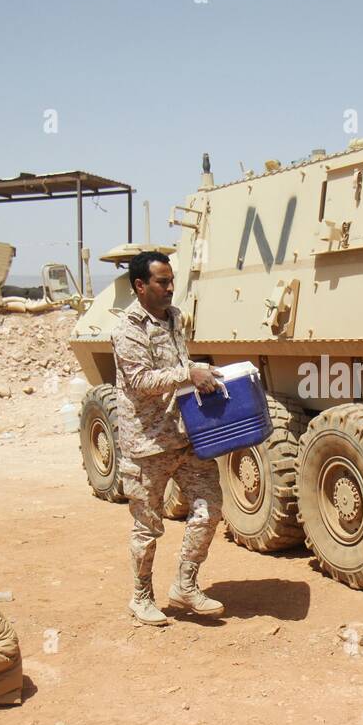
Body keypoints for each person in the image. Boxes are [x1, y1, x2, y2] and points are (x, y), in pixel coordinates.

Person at [112, 251, 226, 625]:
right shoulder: (128, 328)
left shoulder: (175, 318)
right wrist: (187, 373)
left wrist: (199, 374)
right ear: (141, 286)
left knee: (209, 509)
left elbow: (180, 366)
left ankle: (185, 585)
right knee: (149, 526)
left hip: (185, 435)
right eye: (162, 281)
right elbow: (141, 381)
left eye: (171, 280)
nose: (170, 288)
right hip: (147, 444)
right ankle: (141, 596)